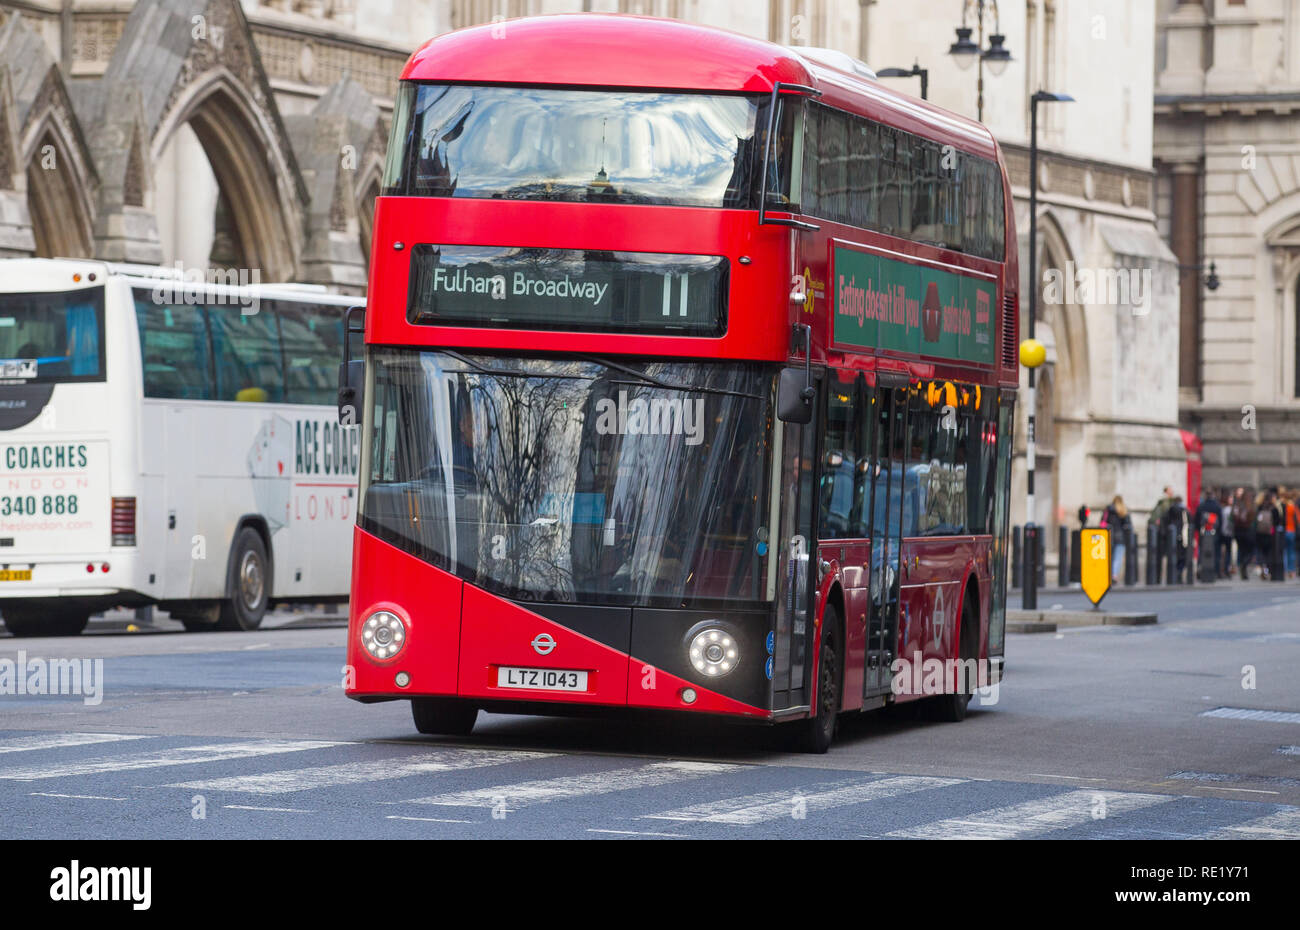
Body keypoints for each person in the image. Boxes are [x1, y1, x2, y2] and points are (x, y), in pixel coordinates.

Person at [1100, 495, 1131, 585]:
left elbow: (1102, 522)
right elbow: (1128, 525)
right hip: (1120, 537)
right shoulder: (1123, 510)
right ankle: (1114, 575)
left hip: (1108, 536)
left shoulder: (1108, 510)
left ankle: (1108, 574)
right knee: (1118, 557)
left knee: (1109, 557)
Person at [1254, 489, 1282, 580]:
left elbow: (1255, 521)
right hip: (1271, 534)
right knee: (1270, 553)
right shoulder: (1274, 508)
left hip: (1259, 534)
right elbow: (1278, 521)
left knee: (1261, 553)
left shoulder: (1260, 507)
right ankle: (1268, 570)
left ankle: (1262, 568)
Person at [1233, 488, 1256, 581]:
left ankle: (1242, 566)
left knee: (1242, 551)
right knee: (1250, 551)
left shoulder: (1237, 505)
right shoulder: (1250, 506)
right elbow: (1254, 519)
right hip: (1247, 531)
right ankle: (1244, 564)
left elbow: (1232, 518)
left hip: (1238, 531)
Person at [1282, 488, 1298, 578]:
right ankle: (1291, 571)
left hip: (1284, 531)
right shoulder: (1292, 507)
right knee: (1291, 551)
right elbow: (1297, 519)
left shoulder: (1283, 506)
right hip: (1291, 530)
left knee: (1284, 551)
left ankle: (1284, 570)